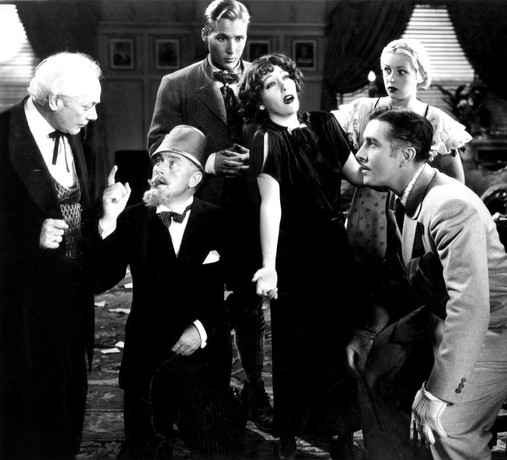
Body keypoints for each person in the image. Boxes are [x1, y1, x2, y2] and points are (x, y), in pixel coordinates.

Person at [352, 107, 507, 459]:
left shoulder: (450, 206)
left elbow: (470, 306)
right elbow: (402, 279)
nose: (360, 155)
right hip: (443, 314)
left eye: (372, 144)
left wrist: (438, 393)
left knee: (446, 425)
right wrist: (367, 331)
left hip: (505, 325)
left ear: (405, 155)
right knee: (378, 362)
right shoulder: (402, 194)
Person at [148, 0, 274, 431]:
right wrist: (209, 164)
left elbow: (283, 133)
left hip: (253, 211)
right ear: (206, 35)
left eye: (239, 38)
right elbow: (157, 148)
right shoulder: (177, 84)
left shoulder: (263, 78)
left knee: (250, 304)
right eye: (222, 37)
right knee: (196, 302)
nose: (232, 47)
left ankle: (255, 388)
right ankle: (197, 392)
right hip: (200, 212)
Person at [238, 52, 364, 459]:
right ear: (260, 101)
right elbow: (270, 205)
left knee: (338, 341)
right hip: (293, 251)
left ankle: (340, 432)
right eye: (270, 84)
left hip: (335, 246)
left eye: (286, 77)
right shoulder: (265, 138)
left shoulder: (325, 123)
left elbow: (359, 176)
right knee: (295, 346)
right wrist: (269, 266)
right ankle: (289, 432)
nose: (284, 86)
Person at [96, 125, 243, 459]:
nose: (159, 169)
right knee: (144, 453)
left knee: (217, 451)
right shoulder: (132, 219)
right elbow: (99, 277)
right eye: (158, 162)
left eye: (172, 163)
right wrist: (108, 220)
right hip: (146, 362)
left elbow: (247, 293)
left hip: (204, 364)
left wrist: (203, 329)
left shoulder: (220, 221)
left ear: (195, 178)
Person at [0, 52, 101, 460]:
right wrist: (29, 237)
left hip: (73, 300)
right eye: (88, 106)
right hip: (19, 308)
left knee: (68, 405)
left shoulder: (74, 129)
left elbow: (75, 207)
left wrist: (105, 215)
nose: (94, 116)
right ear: (56, 100)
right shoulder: (3, 133)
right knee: (24, 418)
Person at [333, 38, 471, 266]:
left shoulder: (436, 120)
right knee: (363, 274)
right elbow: (331, 144)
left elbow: (456, 182)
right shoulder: (362, 110)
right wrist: (355, 174)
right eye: (387, 70)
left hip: (413, 212)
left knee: (410, 273)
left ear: (420, 75)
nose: (391, 78)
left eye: (401, 72)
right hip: (367, 209)